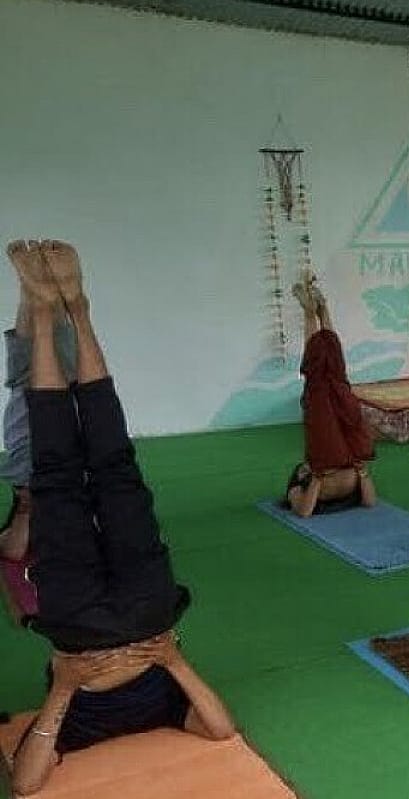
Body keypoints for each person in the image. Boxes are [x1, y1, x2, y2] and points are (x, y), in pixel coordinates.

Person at [6, 240, 234, 795]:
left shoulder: (72, 730)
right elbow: (222, 730)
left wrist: (63, 689)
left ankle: (44, 311)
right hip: (145, 615)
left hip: (79, 626)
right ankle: (76, 312)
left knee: (58, 475)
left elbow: (25, 785)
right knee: (112, 468)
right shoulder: (167, 707)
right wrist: (173, 662)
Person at [283, 272, 376, 517]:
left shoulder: (301, 486)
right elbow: (369, 502)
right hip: (345, 447)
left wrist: (316, 476)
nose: (302, 469)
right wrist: (361, 471)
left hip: (330, 451)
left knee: (324, 371)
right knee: (334, 369)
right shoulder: (341, 474)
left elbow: (303, 510)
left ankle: (314, 310)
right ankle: (319, 309)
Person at [0, 288, 76, 561]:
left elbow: (13, 550)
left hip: (29, 451)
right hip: (65, 428)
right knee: (63, 366)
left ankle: (28, 285)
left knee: (23, 375)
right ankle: (45, 286)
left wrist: (26, 505)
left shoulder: (26, 500)